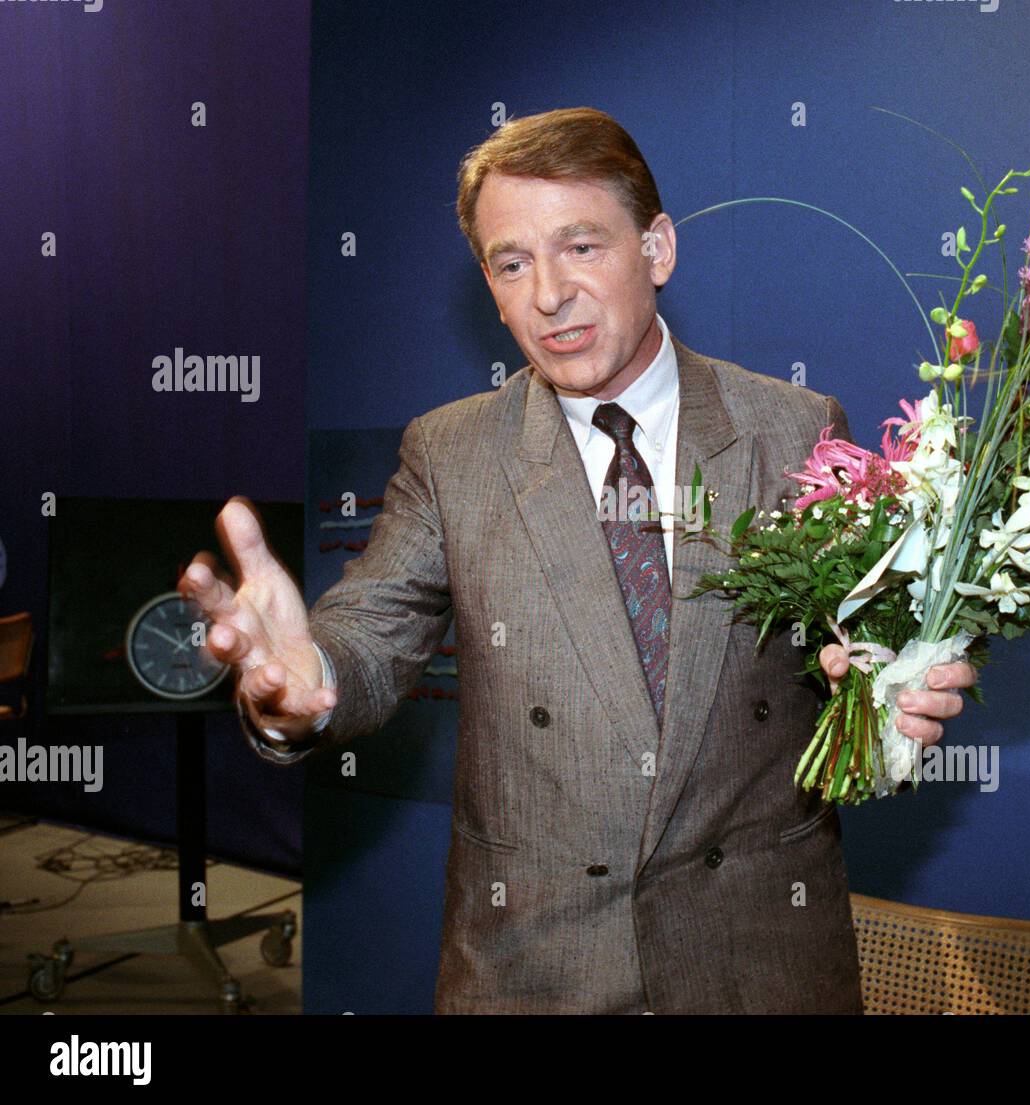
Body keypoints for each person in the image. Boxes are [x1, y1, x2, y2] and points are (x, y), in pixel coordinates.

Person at [180, 107, 976, 1014]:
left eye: (581, 247)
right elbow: (370, 632)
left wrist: (889, 690)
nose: (548, 294)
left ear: (658, 249)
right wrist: (304, 677)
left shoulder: (791, 429)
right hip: (534, 973)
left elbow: (849, 666)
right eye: (511, 263)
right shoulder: (452, 453)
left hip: (759, 970)